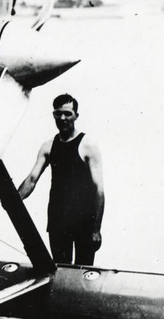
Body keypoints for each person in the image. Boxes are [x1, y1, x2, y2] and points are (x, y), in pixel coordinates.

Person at [17, 94, 105, 265]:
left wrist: (96, 230)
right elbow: (32, 178)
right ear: (54, 115)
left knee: (81, 275)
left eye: (67, 114)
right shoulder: (48, 146)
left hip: (84, 222)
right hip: (59, 221)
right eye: (58, 114)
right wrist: (14, 199)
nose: (63, 118)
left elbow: (99, 190)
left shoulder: (88, 145)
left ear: (76, 116)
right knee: (60, 271)